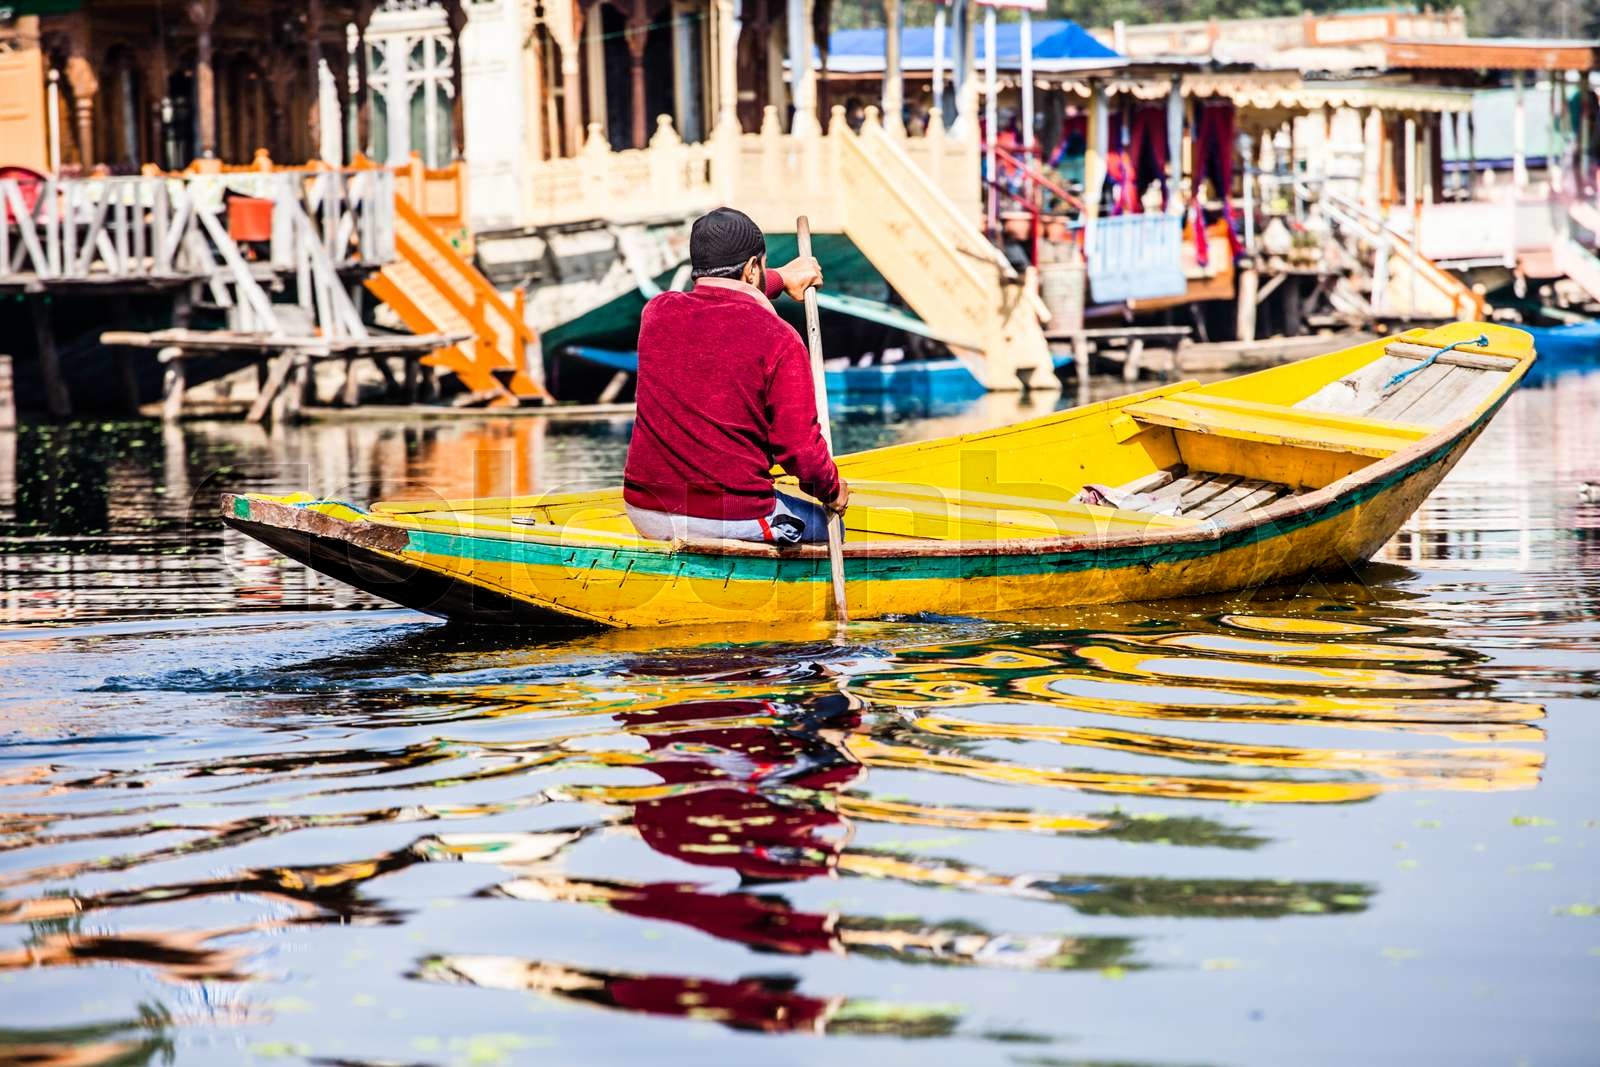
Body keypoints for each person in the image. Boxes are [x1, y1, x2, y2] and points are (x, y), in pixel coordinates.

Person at [623, 207, 849, 545]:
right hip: (730, 515)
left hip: (643, 509)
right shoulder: (780, 339)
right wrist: (832, 490)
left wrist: (782, 278)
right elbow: (800, 452)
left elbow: (723, 295)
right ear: (752, 267)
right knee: (833, 528)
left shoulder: (657, 312)